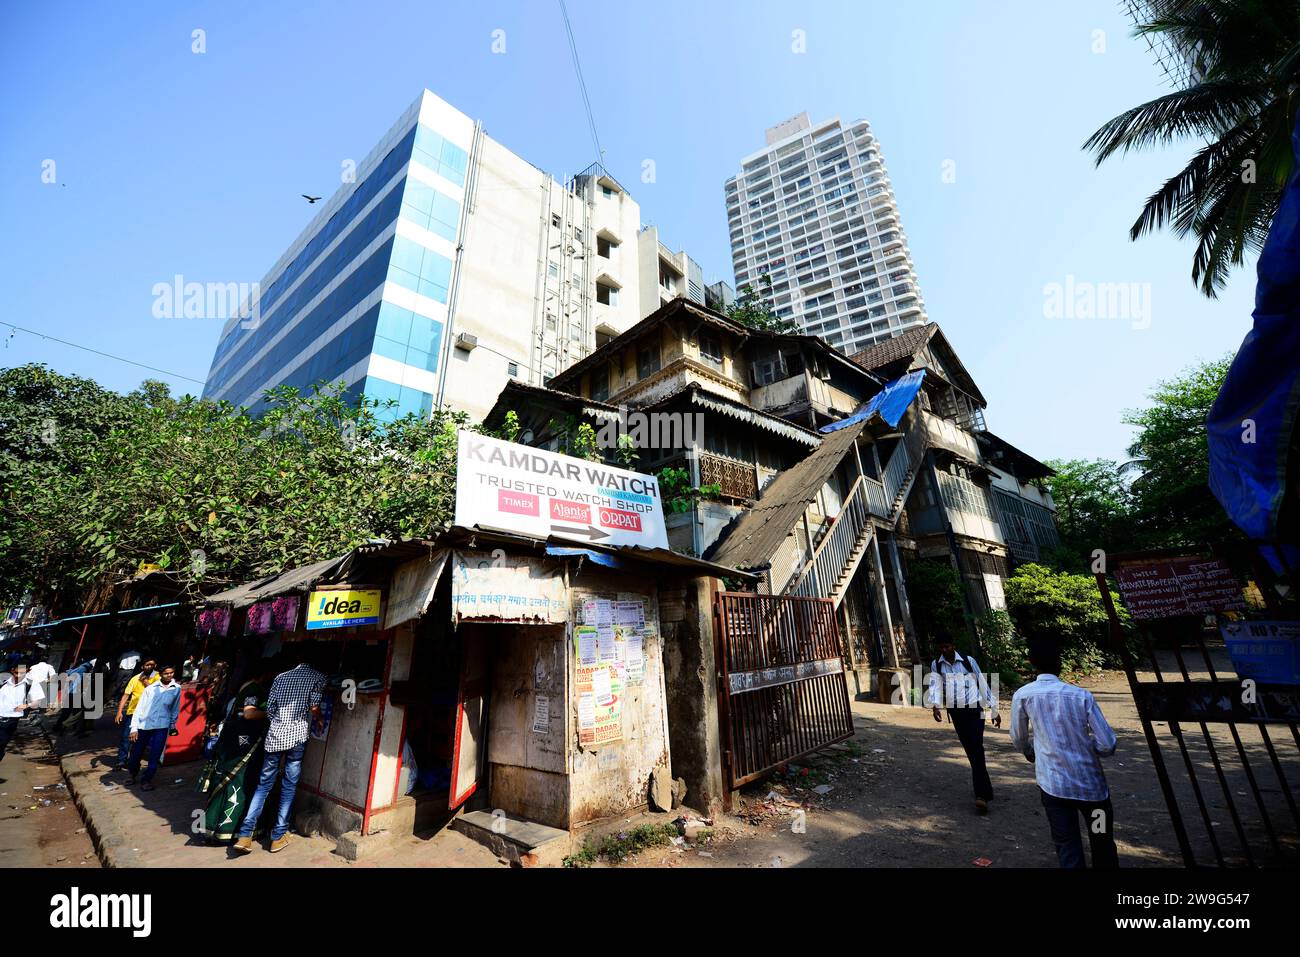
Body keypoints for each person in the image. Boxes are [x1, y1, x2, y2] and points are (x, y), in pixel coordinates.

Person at [1010, 637, 1120, 868]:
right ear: (1059, 663)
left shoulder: (1024, 695)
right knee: (1101, 841)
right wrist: (1090, 750)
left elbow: (1019, 738)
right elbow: (1107, 743)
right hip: (1092, 790)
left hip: (1055, 787)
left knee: (1067, 844)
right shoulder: (1081, 696)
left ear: (1032, 663)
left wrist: (1030, 752)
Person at [232, 650, 325, 855]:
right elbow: (314, 707)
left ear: (298, 658)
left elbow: (271, 710)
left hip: (274, 736)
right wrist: (319, 718)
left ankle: (245, 835)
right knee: (289, 786)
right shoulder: (318, 677)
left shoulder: (280, 678)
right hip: (297, 736)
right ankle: (278, 836)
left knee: (263, 785)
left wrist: (280, 721)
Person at [196, 666, 273, 844]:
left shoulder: (246, 686)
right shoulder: (254, 689)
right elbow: (249, 713)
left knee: (233, 779)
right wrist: (271, 713)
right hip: (243, 741)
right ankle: (226, 829)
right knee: (239, 780)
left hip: (237, 739)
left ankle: (218, 828)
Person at [126, 665, 182, 790]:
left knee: (155, 755)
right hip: (144, 725)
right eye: (166, 673)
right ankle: (132, 774)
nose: (169, 675)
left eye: (171, 673)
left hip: (162, 726)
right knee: (136, 753)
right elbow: (139, 709)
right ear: (161, 674)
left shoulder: (177, 688)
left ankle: (147, 780)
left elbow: (175, 708)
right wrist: (134, 728)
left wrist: (173, 724)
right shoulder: (150, 688)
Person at [114, 659, 159, 769]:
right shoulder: (134, 679)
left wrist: (146, 683)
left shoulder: (158, 677)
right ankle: (121, 760)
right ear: (142, 667)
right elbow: (126, 695)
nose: (150, 667)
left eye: (152, 665)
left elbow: (157, 693)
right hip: (133, 712)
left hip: (149, 713)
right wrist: (119, 712)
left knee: (141, 739)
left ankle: (133, 761)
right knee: (126, 737)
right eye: (147, 664)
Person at [54, 657, 97, 737]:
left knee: (68, 711)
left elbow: (68, 672)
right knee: (75, 711)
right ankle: (64, 726)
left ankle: (61, 726)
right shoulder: (84, 668)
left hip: (72, 692)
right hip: (75, 693)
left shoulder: (82, 668)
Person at [0, 665, 30, 765]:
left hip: (10, 720)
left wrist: (26, 706)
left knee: (1, 743)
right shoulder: (3, 682)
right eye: (17, 673)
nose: (19, 676)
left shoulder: (28, 685)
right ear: (12, 671)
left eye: (22, 673)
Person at [25, 654, 56, 719]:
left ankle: (25, 715)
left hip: (33, 685)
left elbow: (28, 677)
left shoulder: (33, 667)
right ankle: (39, 717)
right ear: (47, 661)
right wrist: (48, 681)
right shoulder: (49, 666)